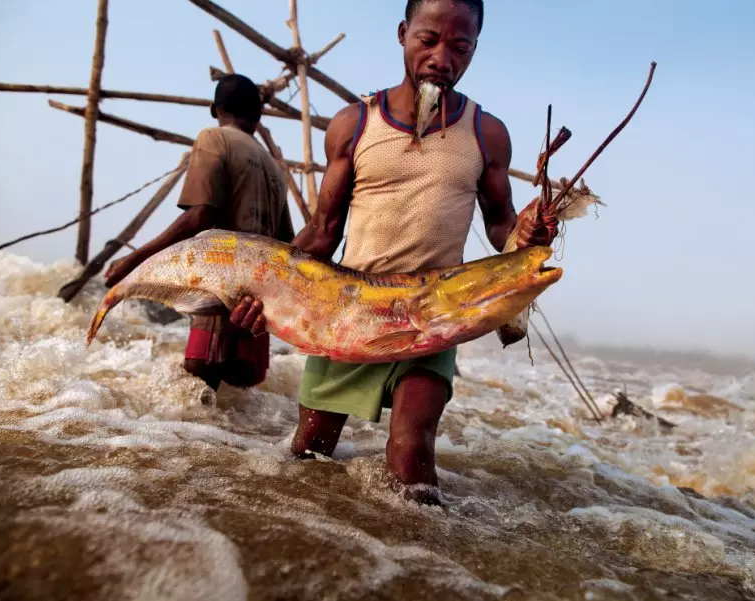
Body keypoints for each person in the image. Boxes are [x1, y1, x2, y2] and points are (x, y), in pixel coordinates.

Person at [230, 0, 557, 499]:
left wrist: (529, 233)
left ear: (473, 50)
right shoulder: (354, 125)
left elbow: (500, 227)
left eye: (460, 46)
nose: (442, 58)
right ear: (404, 33)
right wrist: (258, 289)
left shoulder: (486, 133)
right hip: (349, 312)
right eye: (428, 40)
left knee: (411, 452)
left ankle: (422, 562)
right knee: (310, 452)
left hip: (432, 315)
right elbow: (322, 231)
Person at [104, 73, 294, 391]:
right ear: (259, 115)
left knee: (198, 388)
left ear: (213, 109)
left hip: (221, 286)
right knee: (234, 408)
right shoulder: (275, 167)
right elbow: (286, 243)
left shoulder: (214, 138)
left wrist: (135, 261)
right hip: (257, 304)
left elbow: (199, 216)